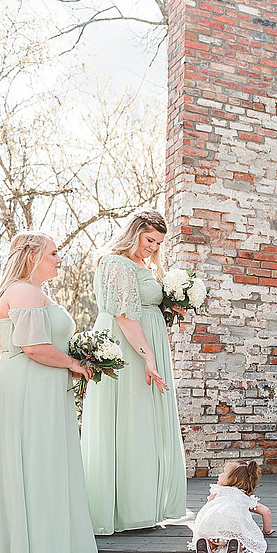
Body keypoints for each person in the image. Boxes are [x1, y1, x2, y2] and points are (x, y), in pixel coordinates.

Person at [0, 232, 101, 553]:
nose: (60, 259)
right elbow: (34, 347)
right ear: (32, 256)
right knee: (30, 470)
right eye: (54, 253)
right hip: (25, 389)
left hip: (40, 389)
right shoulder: (24, 292)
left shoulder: (37, 292)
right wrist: (74, 363)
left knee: (42, 471)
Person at [81, 210, 187, 535]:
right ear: (134, 232)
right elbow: (125, 315)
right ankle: (121, 510)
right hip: (129, 350)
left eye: (157, 243)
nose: (152, 248)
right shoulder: (116, 262)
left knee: (144, 422)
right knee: (129, 419)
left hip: (145, 345)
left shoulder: (143, 265)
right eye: (149, 240)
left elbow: (143, 305)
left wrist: (169, 306)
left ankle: (143, 504)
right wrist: (148, 357)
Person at [190, 460, 273, 553]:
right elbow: (266, 512)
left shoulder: (217, 491)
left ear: (233, 479)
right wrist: (266, 531)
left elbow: (207, 508)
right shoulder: (244, 497)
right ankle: (236, 546)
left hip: (213, 529)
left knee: (210, 536)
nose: (220, 474)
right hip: (234, 530)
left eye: (224, 472)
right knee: (244, 539)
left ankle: (209, 545)